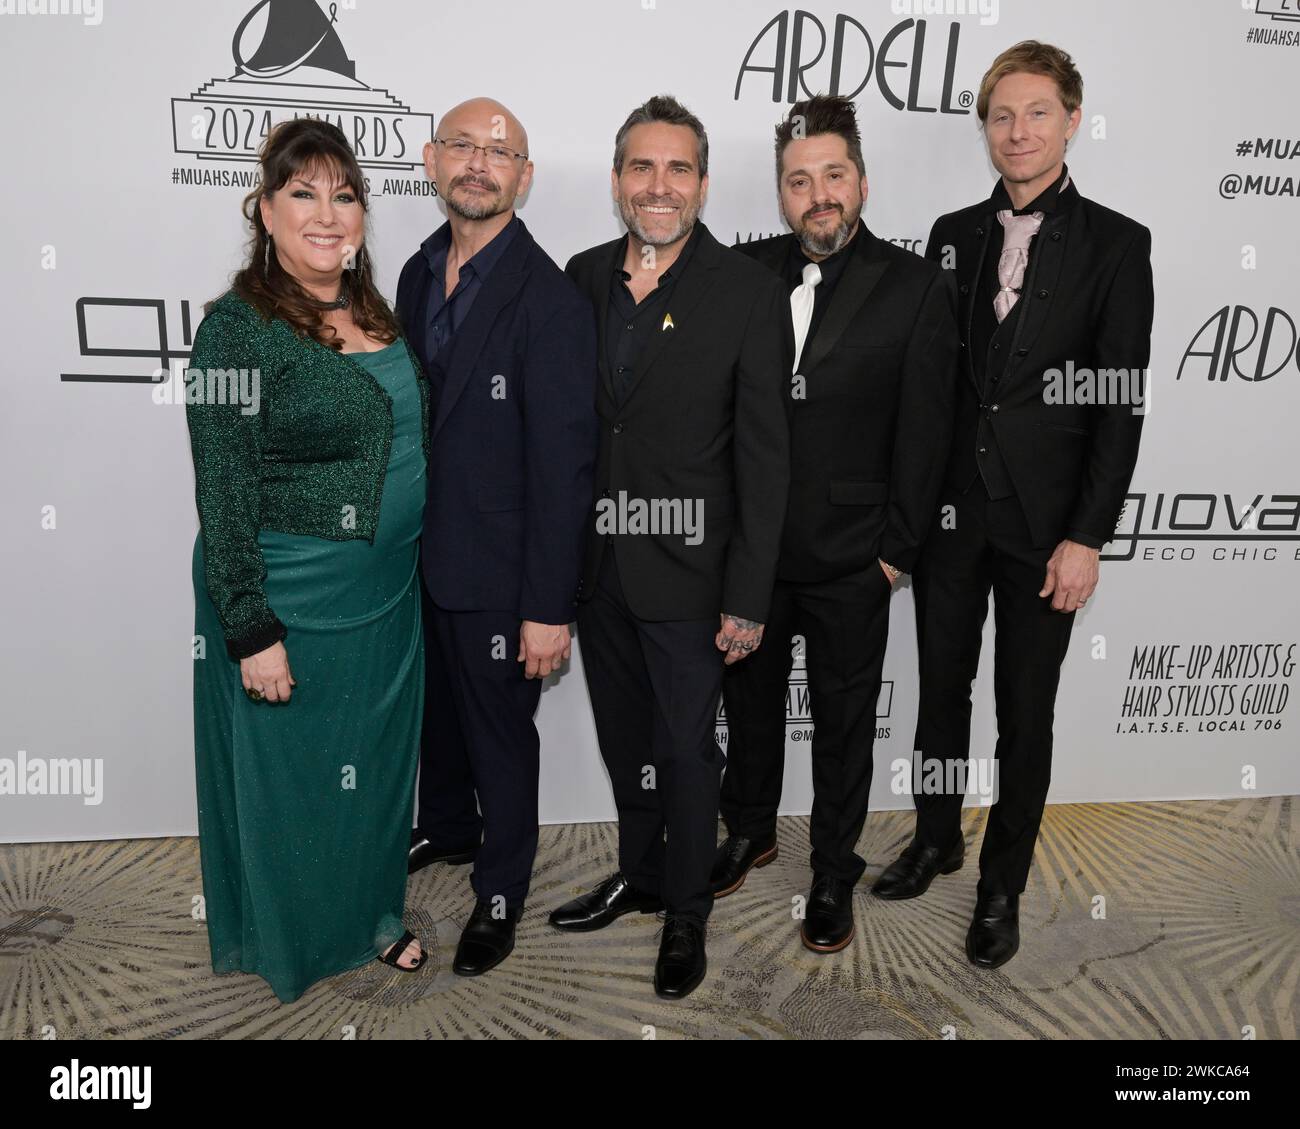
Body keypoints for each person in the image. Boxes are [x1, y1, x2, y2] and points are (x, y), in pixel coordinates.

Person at [872, 41, 1153, 969]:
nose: (1018, 131)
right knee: (939, 694)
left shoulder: (1119, 243)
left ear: (1073, 119)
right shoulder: (953, 232)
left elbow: (1118, 400)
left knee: (1023, 712)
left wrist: (1087, 536)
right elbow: (934, 389)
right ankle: (938, 836)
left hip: (1044, 529)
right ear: (984, 128)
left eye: (1037, 112)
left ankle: (1003, 884)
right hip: (954, 517)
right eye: (1001, 115)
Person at [551, 95, 790, 1000]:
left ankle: (687, 907)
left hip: (694, 574)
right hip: (598, 567)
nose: (660, 187)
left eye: (678, 168)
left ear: (702, 181)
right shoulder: (579, 278)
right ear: (617, 181)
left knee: (689, 751)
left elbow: (767, 461)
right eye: (642, 168)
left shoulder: (747, 293)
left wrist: (749, 593)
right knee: (627, 740)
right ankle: (641, 874)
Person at [186, 117, 430, 1003]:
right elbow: (222, 491)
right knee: (292, 785)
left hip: (388, 598)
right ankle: (295, 937)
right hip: (290, 601)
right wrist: (252, 629)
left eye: (345, 193)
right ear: (264, 208)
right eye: (303, 192)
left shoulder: (371, 309)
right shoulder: (234, 333)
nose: (327, 214)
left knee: (370, 775)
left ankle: (370, 915)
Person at [713, 95, 958, 953]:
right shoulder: (745, 276)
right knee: (747, 706)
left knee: (845, 722)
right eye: (798, 180)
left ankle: (830, 868)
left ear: (861, 181)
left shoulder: (918, 285)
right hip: (754, 554)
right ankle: (748, 828)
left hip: (856, 557)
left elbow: (929, 431)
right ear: (780, 193)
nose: (818, 195)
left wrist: (896, 553)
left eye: (833, 176)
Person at [396, 98, 598, 977]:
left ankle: (502, 890)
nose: (479, 164)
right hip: (415, 561)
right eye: (463, 147)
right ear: (433, 161)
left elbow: (566, 470)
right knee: (438, 721)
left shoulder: (549, 299)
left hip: (503, 572)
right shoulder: (412, 271)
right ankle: (446, 826)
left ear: (524, 176)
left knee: (501, 739)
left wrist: (549, 607)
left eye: (500, 151)